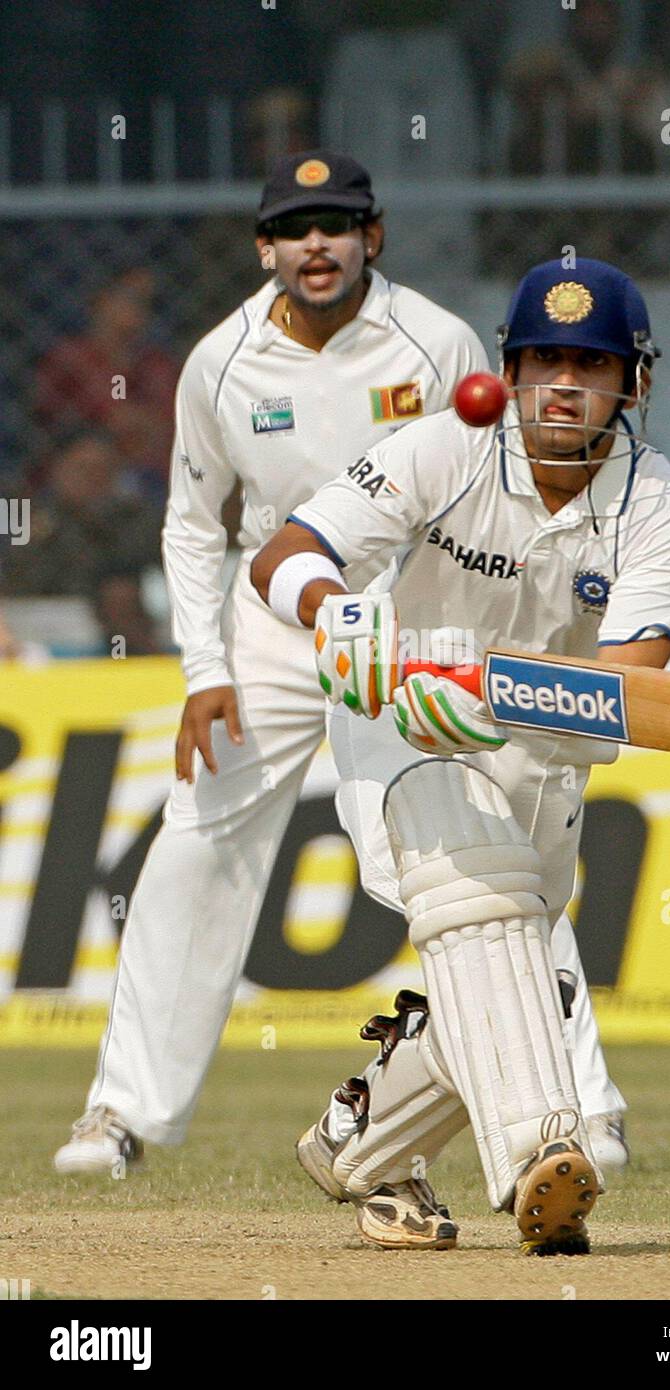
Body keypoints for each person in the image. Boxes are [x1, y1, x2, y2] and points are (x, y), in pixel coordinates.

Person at [52, 149, 490, 1183]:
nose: (316, 245)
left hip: (401, 619)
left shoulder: (436, 342)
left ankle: (569, 1106)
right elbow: (195, 526)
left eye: (337, 224)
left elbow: (477, 503)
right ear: (266, 249)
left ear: (371, 236)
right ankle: (120, 1115)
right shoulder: (222, 361)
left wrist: (459, 637)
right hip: (271, 622)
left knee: (456, 854)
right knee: (198, 844)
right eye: (295, 229)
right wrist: (204, 670)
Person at [252, 257, 670, 1253]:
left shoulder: (658, 506)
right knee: (483, 904)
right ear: (506, 371)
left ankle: (358, 1145)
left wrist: (497, 704)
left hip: (543, 762)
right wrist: (339, 616)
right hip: (398, 726)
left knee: (511, 993)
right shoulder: (447, 444)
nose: (562, 385)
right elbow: (284, 553)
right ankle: (544, 1163)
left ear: (635, 383)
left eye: (589, 365)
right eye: (541, 360)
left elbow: (629, 675)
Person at [0, 428, 162, 654]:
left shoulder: (135, 518)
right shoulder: (34, 522)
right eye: (83, 469)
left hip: (126, 628)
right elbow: (18, 582)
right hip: (49, 625)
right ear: (57, 469)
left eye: (103, 470)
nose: (94, 479)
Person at [34, 266, 181, 497]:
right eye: (131, 297)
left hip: (145, 475)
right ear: (103, 299)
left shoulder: (155, 363)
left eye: (147, 302)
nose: (138, 309)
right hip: (77, 464)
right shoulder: (71, 356)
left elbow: (163, 425)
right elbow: (114, 415)